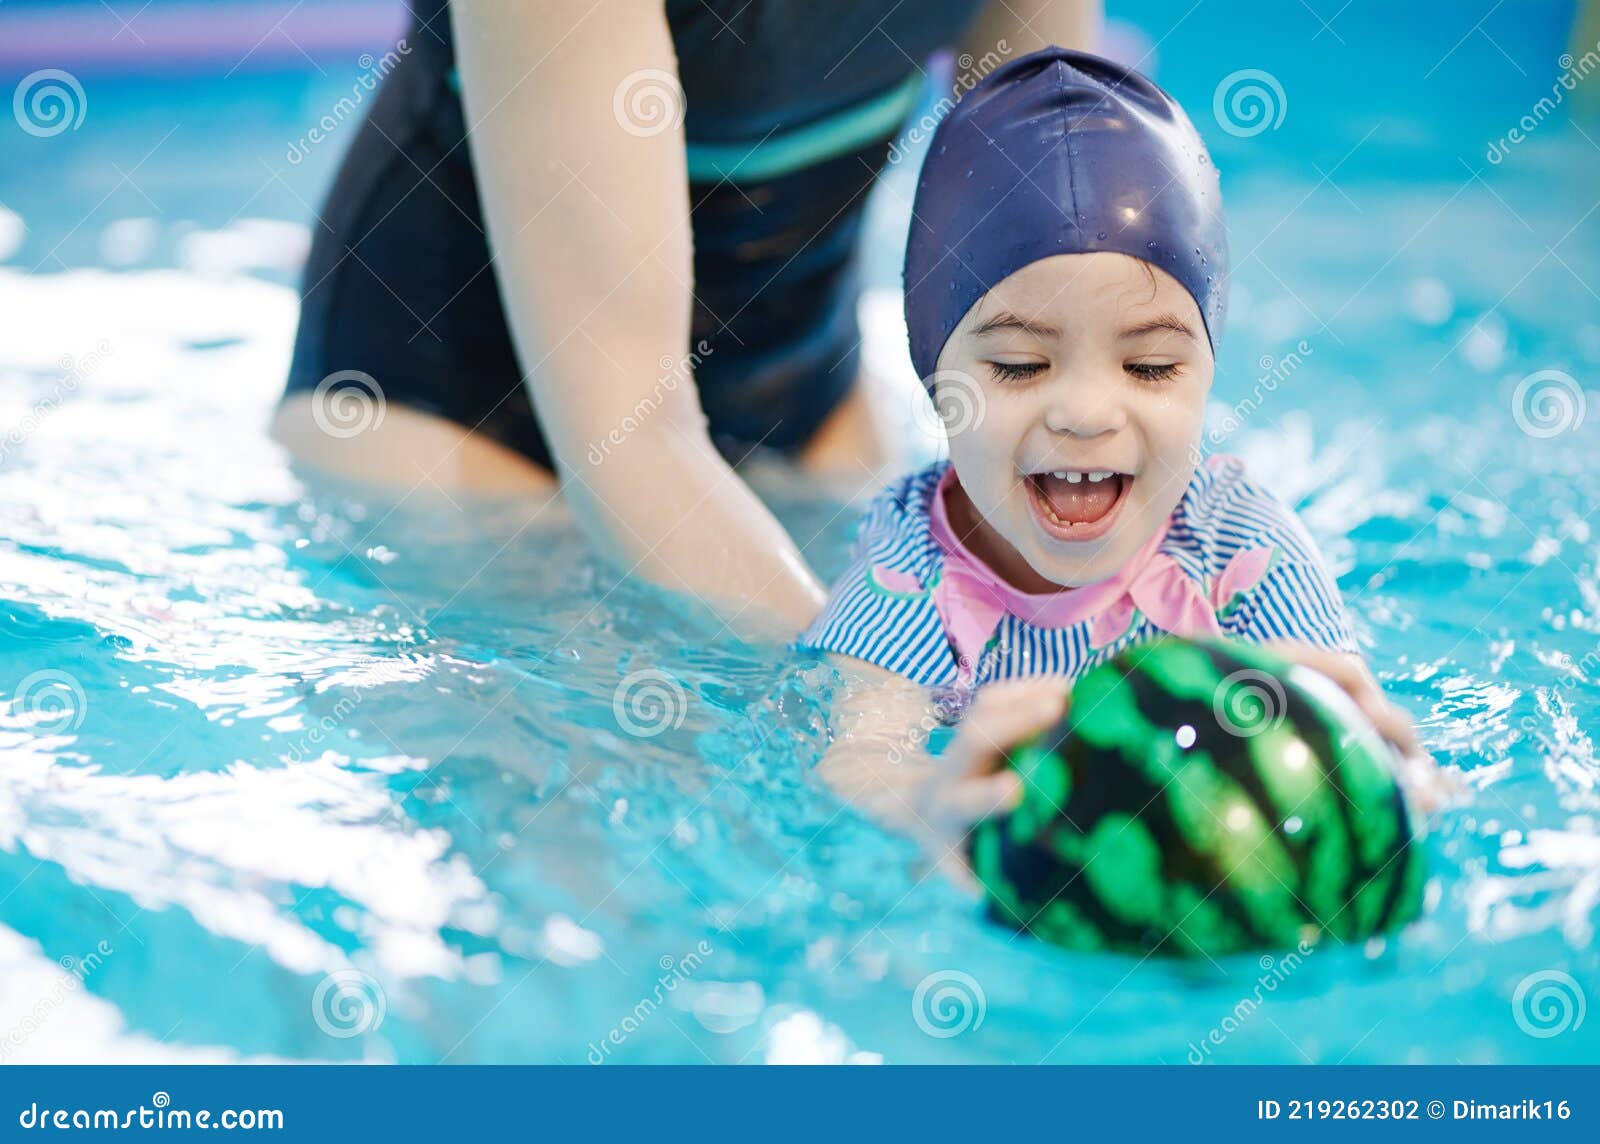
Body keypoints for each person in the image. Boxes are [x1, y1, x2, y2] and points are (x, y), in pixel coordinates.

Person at [800, 48, 1438, 873]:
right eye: (1021, 366)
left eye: (1150, 367)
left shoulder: (1236, 547)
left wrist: (1372, 767)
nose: (1087, 413)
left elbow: (1339, 702)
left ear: (1209, 373)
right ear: (935, 379)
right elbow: (858, 759)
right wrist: (931, 806)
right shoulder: (909, 570)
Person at [273, 0, 1101, 633]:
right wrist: (901, 691)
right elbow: (632, 431)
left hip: (806, 401)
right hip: (462, 433)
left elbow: (1054, 301)